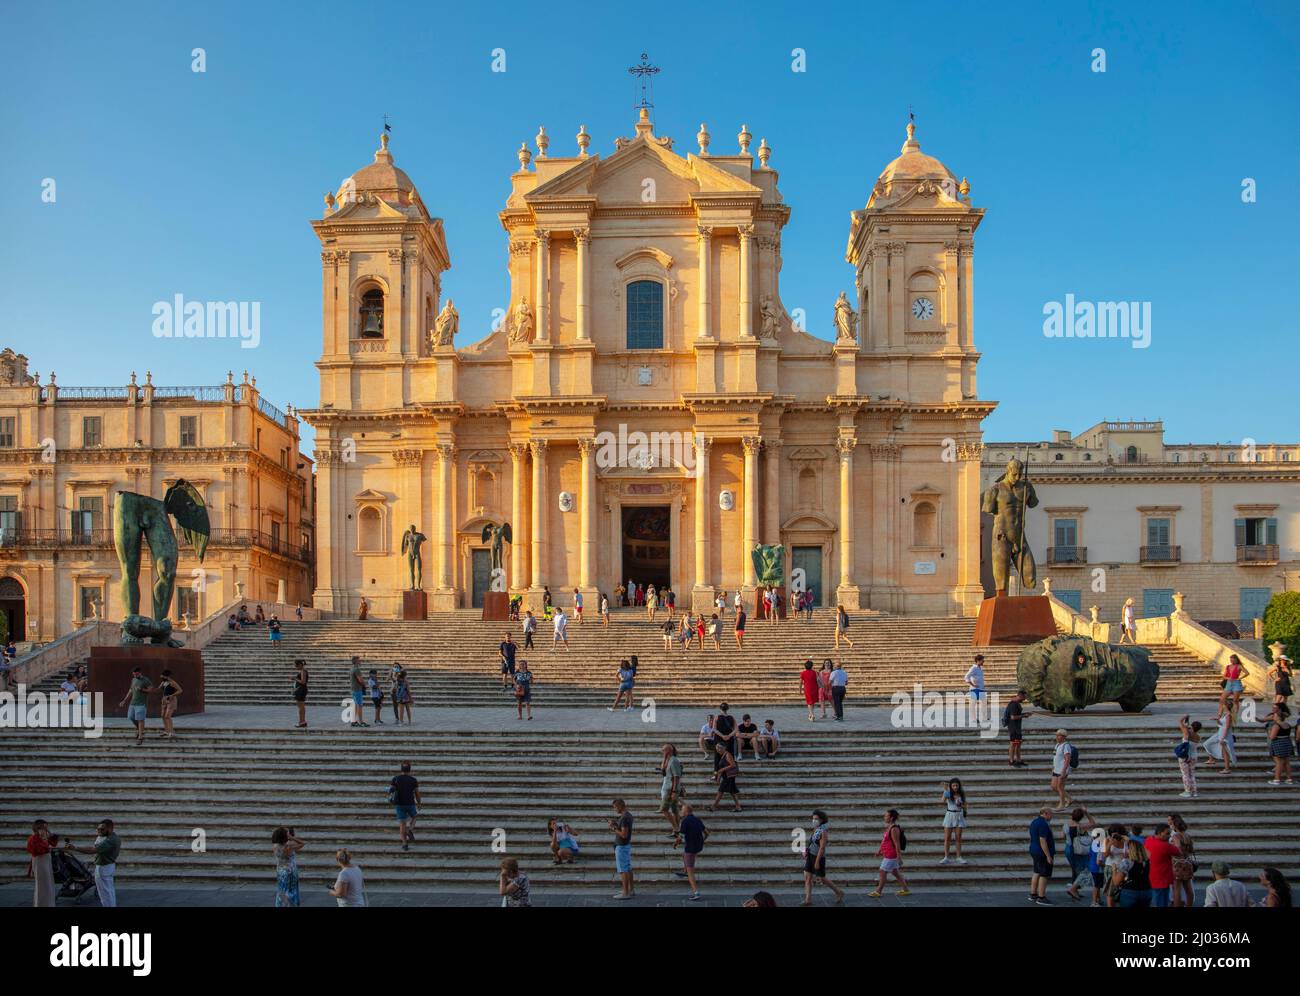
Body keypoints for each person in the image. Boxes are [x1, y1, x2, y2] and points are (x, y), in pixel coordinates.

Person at [801, 810, 846, 905]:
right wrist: (807, 850)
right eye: (813, 818)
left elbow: (821, 848)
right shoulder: (816, 829)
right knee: (807, 877)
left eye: (816, 819)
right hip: (811, 855)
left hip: (818, 858)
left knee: (822, 878)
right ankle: (808, 899)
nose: (814, 820)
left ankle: (838, 892)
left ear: (821, 820)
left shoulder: (823, 832)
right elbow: (812, 842)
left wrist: (817, 862)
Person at [869, 809, 911, 898]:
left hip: (891, 855)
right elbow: (885, 840)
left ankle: (878, 891)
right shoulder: (890, 827)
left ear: (891, 818)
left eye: (886, 816)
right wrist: (879, 851)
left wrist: (899, 857)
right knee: (895, 872)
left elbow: (897, 843)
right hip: (888, 853)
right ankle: (905, 889)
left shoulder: (894, 829)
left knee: (882, 871)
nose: (884, 817)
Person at [1063, 805, 1097, 901]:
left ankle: (1075, 890)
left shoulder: (1065, 825)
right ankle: (1073, 889)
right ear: (1081, 817)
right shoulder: (1081, 826)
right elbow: (1093, 823)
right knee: (1085, 870)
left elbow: (1063, 836)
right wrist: (1086, 812)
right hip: (1079, 849)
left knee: (1075, 870)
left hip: (1069, 849)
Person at [675, 803, 708, 900]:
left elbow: (680, 837)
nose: (681, 811)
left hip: (691, 848)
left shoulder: (685, 821)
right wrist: (702, 841)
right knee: (684, 855)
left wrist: (675, 844)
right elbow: (707, 833)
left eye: (682, 810)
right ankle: (685, 870)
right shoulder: (697, 819)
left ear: (686, 811)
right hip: (698, 846)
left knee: (691, 872)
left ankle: (696, 892)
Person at [117, 666, 154, 746]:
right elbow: (130, 690)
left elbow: (151, 689)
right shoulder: (133, 679)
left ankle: (140, 737)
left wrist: (142, 690)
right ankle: (140, 729)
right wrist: (124, 700)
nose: (135, 676)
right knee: (130, 717)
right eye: (134, 674)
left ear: (140, 672)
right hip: (133, 703)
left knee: (140, 720)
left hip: (141, 703)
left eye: (136, 674)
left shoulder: (146, 680)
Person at [1167, 814, 1197, 908]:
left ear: (1175, 826)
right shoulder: (1187, 835)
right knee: (1189, 889)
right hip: (1187, 863)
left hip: (1177, 863)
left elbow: (1178, 848)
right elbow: (1191, 850)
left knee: (1177, 890)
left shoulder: (1176, 836)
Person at [1027, 807, 1055, 905]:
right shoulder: (1043, 824)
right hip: (1042, 852)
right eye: (1051, 814)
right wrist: (1048, 856)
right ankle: (1041, 897)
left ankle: (1033, 894)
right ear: (1045, 813)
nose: (1052, 816)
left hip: (1034, 850)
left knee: (1037, 871)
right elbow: (1042, 841)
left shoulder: (1034, 822)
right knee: (1044, 874)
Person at [390, 760, 420, 851]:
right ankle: (410, 829)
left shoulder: (395, 779)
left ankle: (404, 844)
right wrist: (419, 802)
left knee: (402, 824)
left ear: (401, 769)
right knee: (414, 816)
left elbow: (391, 790)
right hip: (410, 803)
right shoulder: (413, 780)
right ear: (409, 770)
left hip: (399, 804)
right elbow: (417, 793)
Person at [608, 799, 634, 900]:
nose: (614, 809)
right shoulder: (628, 815)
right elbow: (623, 829)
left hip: (622, 846)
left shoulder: (624, 818)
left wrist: (613, 828)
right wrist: (616, 824)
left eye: (615, 807)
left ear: (619, 806)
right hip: (625, 845)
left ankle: (625, 892)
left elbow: (624, 834)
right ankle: (630, 890)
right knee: (628, 868)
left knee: (623, 870)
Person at [270, 826, 303, 907]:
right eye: (287, 833)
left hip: (280, 871)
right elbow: (302, 843)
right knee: (291, 890)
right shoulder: (288, 847)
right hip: (290, 871)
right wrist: (292, 838)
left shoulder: (275, 846)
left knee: (282, 890)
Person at [26, 819, 56, 907]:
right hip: (39, 862)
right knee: (41, 885)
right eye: (44, 828)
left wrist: (49, 837)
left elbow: (54, 844)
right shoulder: (33, 839)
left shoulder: (44, 836)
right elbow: (37, 851)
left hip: (46, 861)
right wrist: (45, 841)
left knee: (48, 883)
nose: (46, 830)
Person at [1116, 839, 1153, 908]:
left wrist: (1114, 869)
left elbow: (1116, 882)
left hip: (1130, 891)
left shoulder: (1126, 862)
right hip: (1146, 891)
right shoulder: (1147, 861)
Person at [940, 778, 968, 865]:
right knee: (947, 837)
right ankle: (946, 857)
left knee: (958, 837)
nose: (955, 787)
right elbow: (942, 801)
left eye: (956, 785)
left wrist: (961, 804)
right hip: (950, 815)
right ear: (951, 786)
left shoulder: (961, 794)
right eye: (953, 785)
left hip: (958, 815)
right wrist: (945, 790)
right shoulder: (948, 793)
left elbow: (965, 806)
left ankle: (959, 857)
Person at [1266, 703, 1294, 785]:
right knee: (1287, 762)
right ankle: (1289, 779)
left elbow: (1272, 737)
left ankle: (1277, 779)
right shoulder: (1287, 725)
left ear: (1277, 717)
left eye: (1274, 716)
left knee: (1279, 762)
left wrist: (1269, 731)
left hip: (1279, 743)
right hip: (1287, 743)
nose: (1273, 717)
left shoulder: (1276, 725)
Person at [1202, 707, 1236, 773]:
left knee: (1225, 752)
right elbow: (1220, 724)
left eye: (1223, 707)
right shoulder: (1225, 714)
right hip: (1220, 733)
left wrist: (1223, 738)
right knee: (1207, 743)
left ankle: (1227, 769)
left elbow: (1227, 727)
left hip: (1225, 735)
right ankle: (1211, 760)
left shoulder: (1229, 715)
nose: (1222, 708)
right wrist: (1217, 719)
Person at [659, 743, 684, 832]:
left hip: (671, 789)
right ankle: (677, 831)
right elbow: (663, 770)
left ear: (669, 751)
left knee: (664, 809)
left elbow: (676, 777)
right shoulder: (668, 760)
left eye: (664, 750)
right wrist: (665, 758)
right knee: (674, 810)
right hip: (668, 787)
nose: (662, 751)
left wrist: (674, 791)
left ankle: (676, 828)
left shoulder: (674, 761)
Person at [711, 741, 741, 811]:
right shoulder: (723, 756)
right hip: (727, 777)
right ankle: (738, 807)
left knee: (720, 791)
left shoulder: (727, 754)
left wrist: (722, 769)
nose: (718, 749)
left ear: (724, 748)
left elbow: (733, 765)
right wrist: (718, 778)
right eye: (717, 748)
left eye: (719, 748)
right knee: (732, 792)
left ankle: (713, 806)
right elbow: (721, 769)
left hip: (729, 777)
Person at [1176, 715, 1201, 798]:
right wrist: (1187, 725)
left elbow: (1180, 722)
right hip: (1194, 756)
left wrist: (1185, 717)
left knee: (1185, 774)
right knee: (1192, 774)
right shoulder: (1198, 737)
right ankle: (1194, 791)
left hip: (1185, 756)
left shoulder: (1187, 733)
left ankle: (1187, 791)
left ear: (1191, 726)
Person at [1003, 689, 1029, 766]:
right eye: (1024, 698)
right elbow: (1013, 717)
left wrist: (1024, 714)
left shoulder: (1016, 703)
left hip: (1017, 728)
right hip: (1013, 728)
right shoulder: (1013, 704)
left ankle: (1018, 759)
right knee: (1013, 744)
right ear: (1020, 696)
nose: (1024, 699)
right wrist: (1024, 716)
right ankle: (1011, 761)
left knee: (1018, 744)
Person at [1218, 653, 1249, 718]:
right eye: (1230, 660)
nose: (1231, 661)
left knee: (1235, 700)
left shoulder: (1239, 666)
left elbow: (1247, 673)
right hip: (1229, 683)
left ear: (1236, 660)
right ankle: (1220, 714)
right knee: (1222, 699)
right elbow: (1224, 676)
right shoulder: (1228, 666)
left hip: (1236, 683)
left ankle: (1234, 715)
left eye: (1232, 660)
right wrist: (1228, 678)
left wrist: (1240, 678)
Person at [1051, 729, 1074, 811]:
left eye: (1059, 735)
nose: (1057, 737)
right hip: (1056, 769)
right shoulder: (1057, 745)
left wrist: (1064, 770)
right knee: (1054, 786)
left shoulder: (1066, 746)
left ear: (1063, 737)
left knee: (1060, 787)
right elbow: (1055, 757)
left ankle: (1062, 805)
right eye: (1056, 735)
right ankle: (1069, 798)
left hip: (1062, 769)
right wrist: (1053, 767)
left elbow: (1067, 759)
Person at [157, 669, 183, 739]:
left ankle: (171, 732)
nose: (161, 677)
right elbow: (158, 689)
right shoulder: (163, 682)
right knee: (163, 716)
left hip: (171, 700)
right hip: (164, 699)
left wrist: (172, 695)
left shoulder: (172, 682)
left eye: (162, 676)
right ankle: (166, 731)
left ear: (167, 676)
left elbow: (180, 690)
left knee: (167, 716)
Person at [964, 654, 988, 725]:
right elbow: (966, 677)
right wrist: (972, 684)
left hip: (981, 689)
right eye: (982, 660)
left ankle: (983, 718)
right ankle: (973, 719)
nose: (983, 661)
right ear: (978, 661)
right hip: (974, 689)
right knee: (973, 704)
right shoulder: (973, 668)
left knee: (984, 703)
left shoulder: (980, 668)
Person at [348, 657, 369, 728]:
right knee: (359, 705)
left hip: (353, 689)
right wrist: (364, 685)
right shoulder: (357, 669)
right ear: (356, 661)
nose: (360, 661)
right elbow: (360, 680)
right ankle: (361, 722)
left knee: (356, 705)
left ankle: (353, 721)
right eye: (359, 660)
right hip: (357, 689)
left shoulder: (352, 668)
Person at [292, 659, 309, 728]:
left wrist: (295, 679)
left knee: (300, 707)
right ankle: (303, 721)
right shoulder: (303, 671)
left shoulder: (303, 671)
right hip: (301, 689)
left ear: (300, 665)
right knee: (301, 706)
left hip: (301, 690)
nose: (295, 667)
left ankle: (301, 722)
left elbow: (303, 682)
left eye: (296, 666)